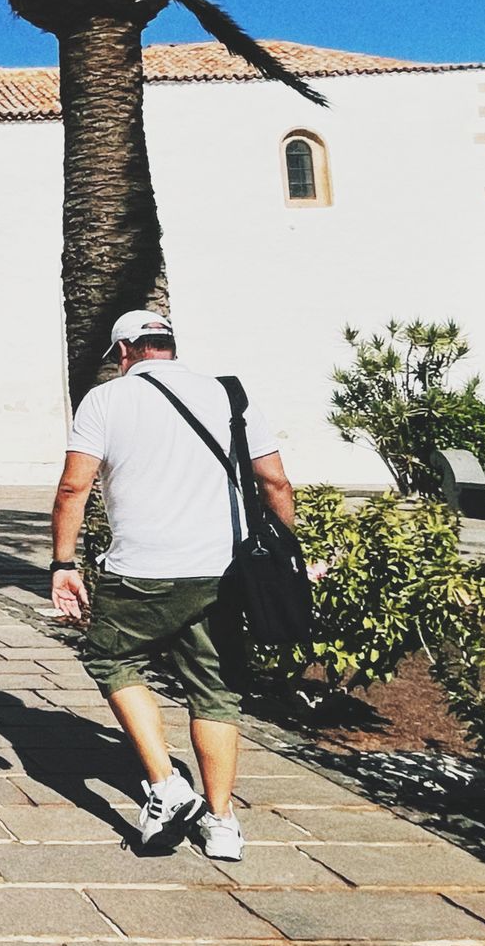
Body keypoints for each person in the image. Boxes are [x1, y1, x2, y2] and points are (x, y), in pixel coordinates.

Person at [47, 309, 301, 861]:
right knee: (216, 690)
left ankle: (165, 786)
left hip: (142, 571)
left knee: (113, 660)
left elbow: (74, 487)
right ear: (170, 346)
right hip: (224, 570)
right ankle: (222, 822)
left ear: (123, 353)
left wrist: (63, 563)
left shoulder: (106, 400)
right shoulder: (227, 395)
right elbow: (275, 479)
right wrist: (288, 553)